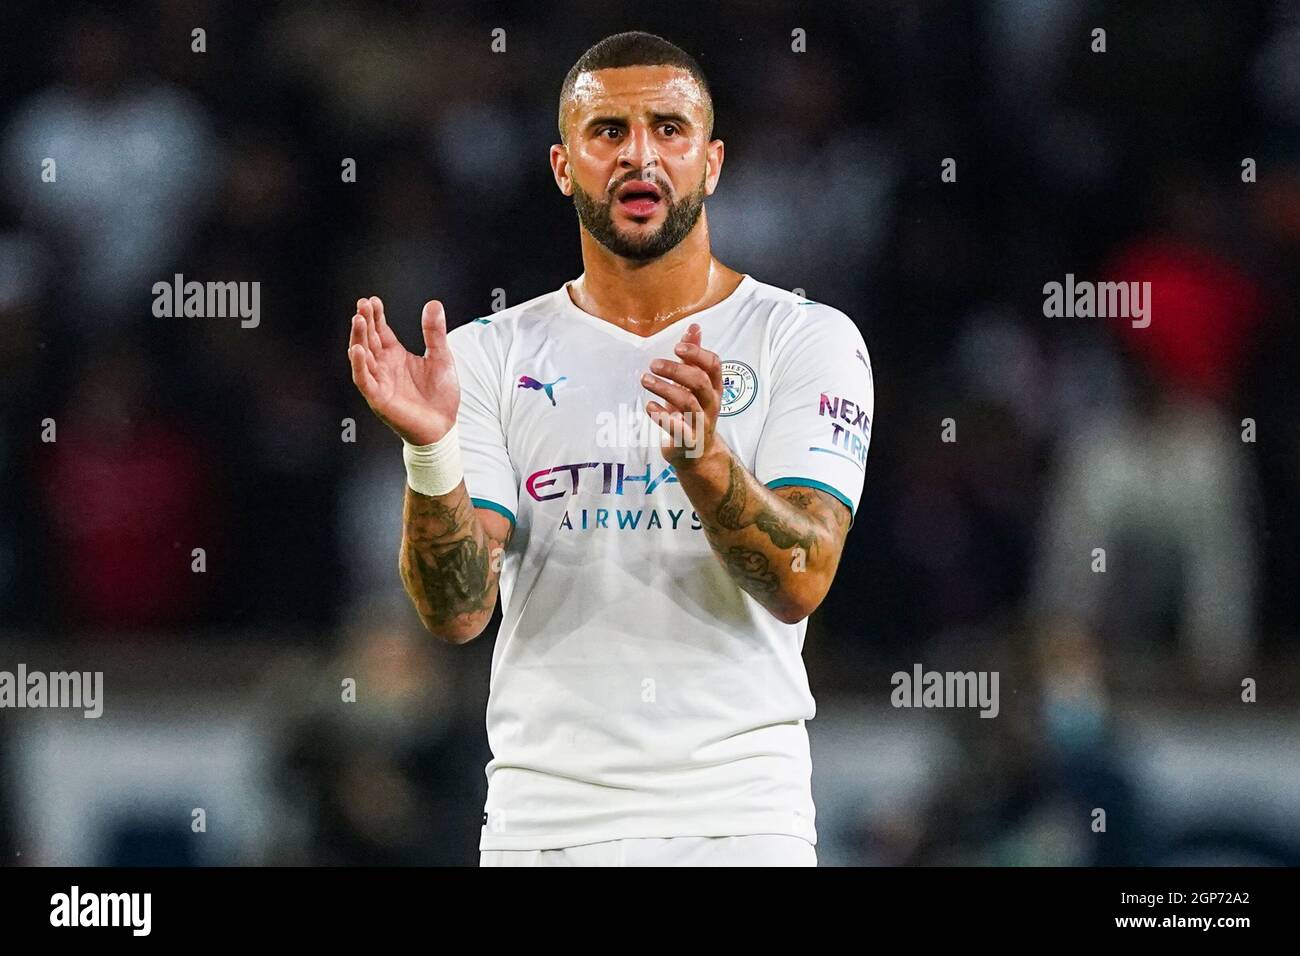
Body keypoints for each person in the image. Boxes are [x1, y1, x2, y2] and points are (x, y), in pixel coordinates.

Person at [346, 31, 874, 867]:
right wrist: (433, 451)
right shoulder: (489, 356)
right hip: (545, 829)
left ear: (713, 162)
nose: (640, 156)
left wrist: (705, 464)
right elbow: (457, 612)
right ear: (563, 167)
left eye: (669, 129)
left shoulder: (802, 339)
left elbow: (802, 576)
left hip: (738, 827)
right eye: (608, 132)